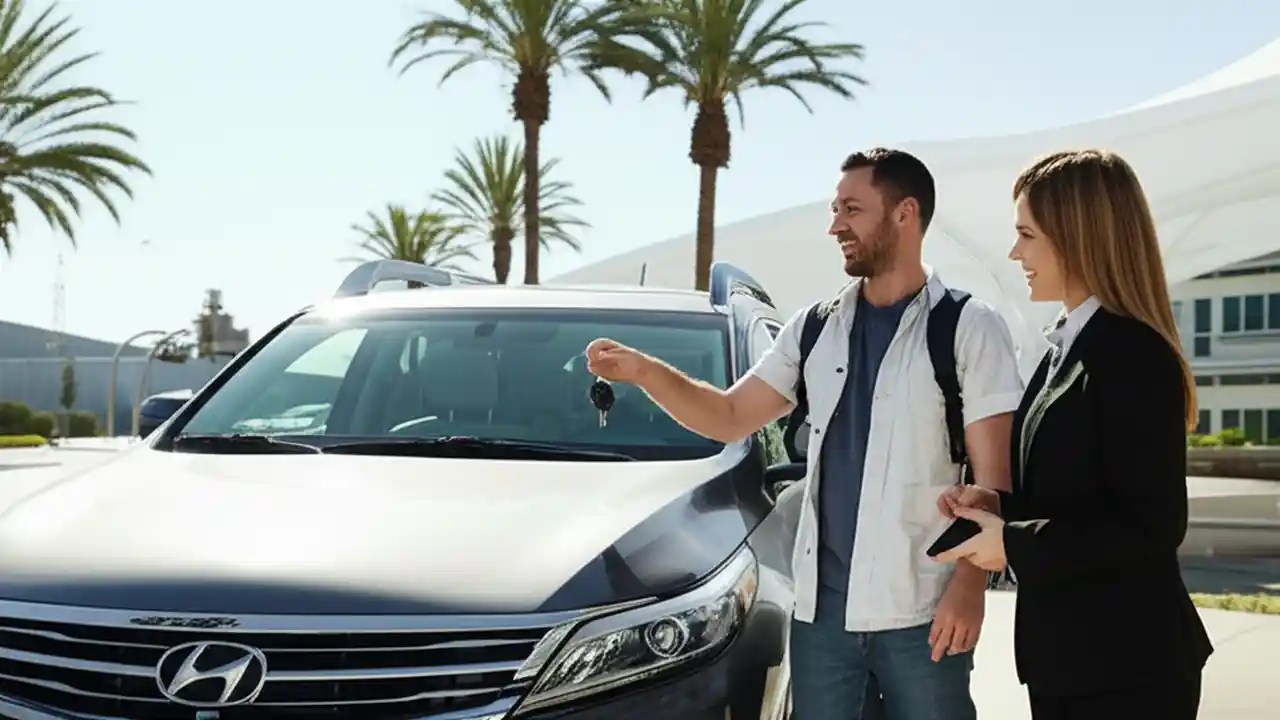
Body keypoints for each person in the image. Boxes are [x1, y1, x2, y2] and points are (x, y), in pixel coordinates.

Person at [585, 148, 1024, 720]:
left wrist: (970, 588)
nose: (834, 224)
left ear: (904, 214)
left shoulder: (969, 327)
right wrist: (645, 372)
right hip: (822, 626)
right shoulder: (814, 327)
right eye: (833, 208)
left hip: (923, 612)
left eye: (851, 208)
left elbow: (994, 482)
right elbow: (728, 414)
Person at [933, 148, 1214, 720]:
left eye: (1027, 235)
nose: (1015, 253)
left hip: (1127, 673)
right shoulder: (1064, 349)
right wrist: (997, 507)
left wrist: (1011, 542)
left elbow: (1152, 522)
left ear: (1078, 236)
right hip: (1074, 663)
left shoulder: (1133, 353)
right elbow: (1077, 499)